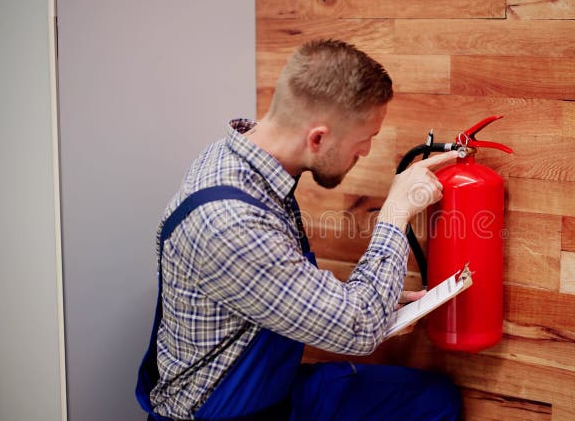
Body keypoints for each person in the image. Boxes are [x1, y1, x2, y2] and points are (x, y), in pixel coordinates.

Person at [136, 39, 462, 420]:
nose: (366, 152)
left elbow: (280, 280)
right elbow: (361, 328)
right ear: (318, 138)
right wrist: (396, 210)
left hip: (268, 388)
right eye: (365, 140)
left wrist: (375, 299)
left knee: (437, 399)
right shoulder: (231, 223)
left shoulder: (236, 160)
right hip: (227, 413)